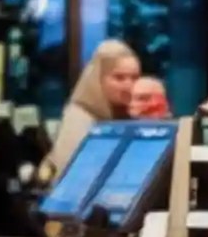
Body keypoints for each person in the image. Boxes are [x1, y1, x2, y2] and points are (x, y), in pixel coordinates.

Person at [46, 40, 140, 176]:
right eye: (119, 78)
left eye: (134, 78)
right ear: (99, 79)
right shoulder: (79, 118)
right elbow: (74, 176)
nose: (128, 85)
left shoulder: (130, 115)